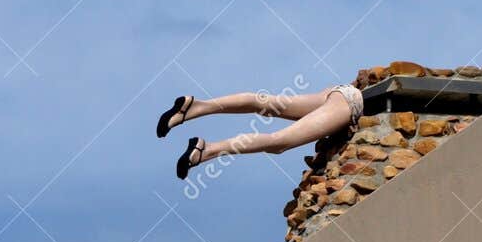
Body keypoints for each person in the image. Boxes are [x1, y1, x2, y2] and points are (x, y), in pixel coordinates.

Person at [156, 83, 364, 179]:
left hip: (338, 91)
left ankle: (197, 106)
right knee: (280, 142)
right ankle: (209, 150)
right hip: (350, 104)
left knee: (266, 103)